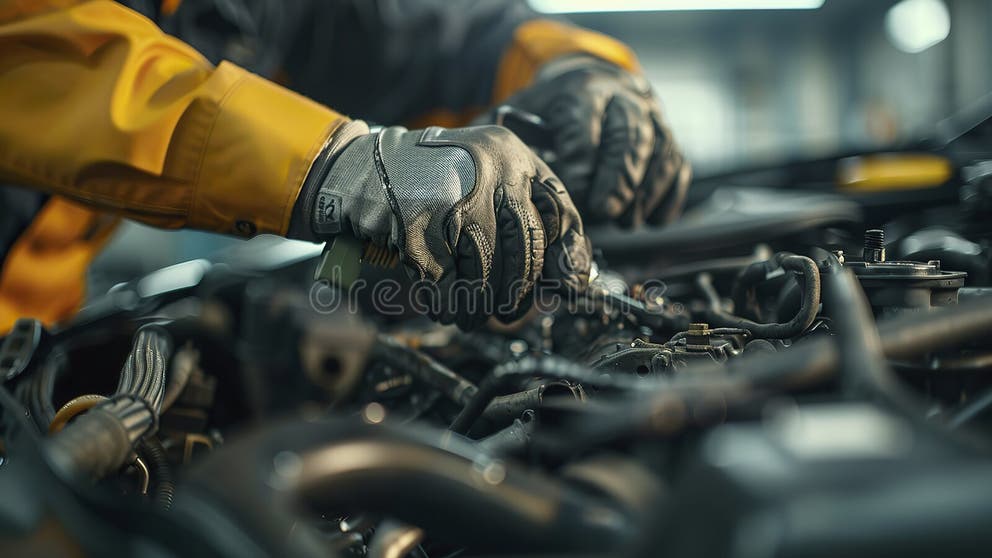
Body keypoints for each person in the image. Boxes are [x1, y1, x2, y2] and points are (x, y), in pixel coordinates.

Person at [0, 0, 690, 332]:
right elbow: (44, 55)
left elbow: (454, 35)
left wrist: (578, 70)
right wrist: (343, 165)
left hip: (35, 336)